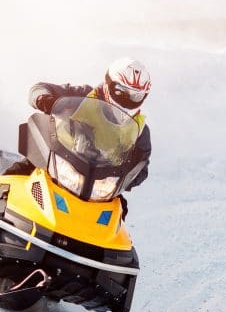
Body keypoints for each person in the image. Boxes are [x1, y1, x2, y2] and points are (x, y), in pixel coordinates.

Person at [27, 58, 152, 215]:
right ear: (109, 84)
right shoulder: (84, 95)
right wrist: (44, 100)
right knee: (23, 171)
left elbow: (142, 167)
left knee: (119, 211)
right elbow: (39, 88)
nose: (128, 99)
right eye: (122, 91)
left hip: (99, 184)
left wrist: (126, 176)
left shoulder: (139, 130)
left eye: (136, 96)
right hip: (57, 162)